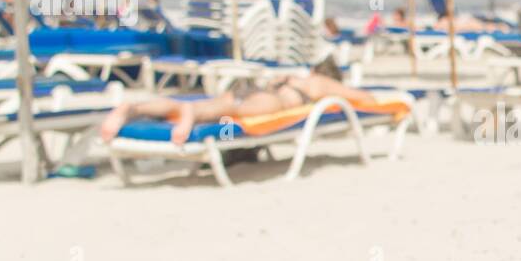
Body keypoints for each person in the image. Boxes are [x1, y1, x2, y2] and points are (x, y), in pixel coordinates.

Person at [99, 70, 381, 146]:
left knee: (217, 104)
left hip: (249, 88)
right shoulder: (318, 84)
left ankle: (133, 107)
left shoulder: (291, 75)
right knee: (231, 113)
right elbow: (360, 96)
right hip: (275, 102)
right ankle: (191, 116)